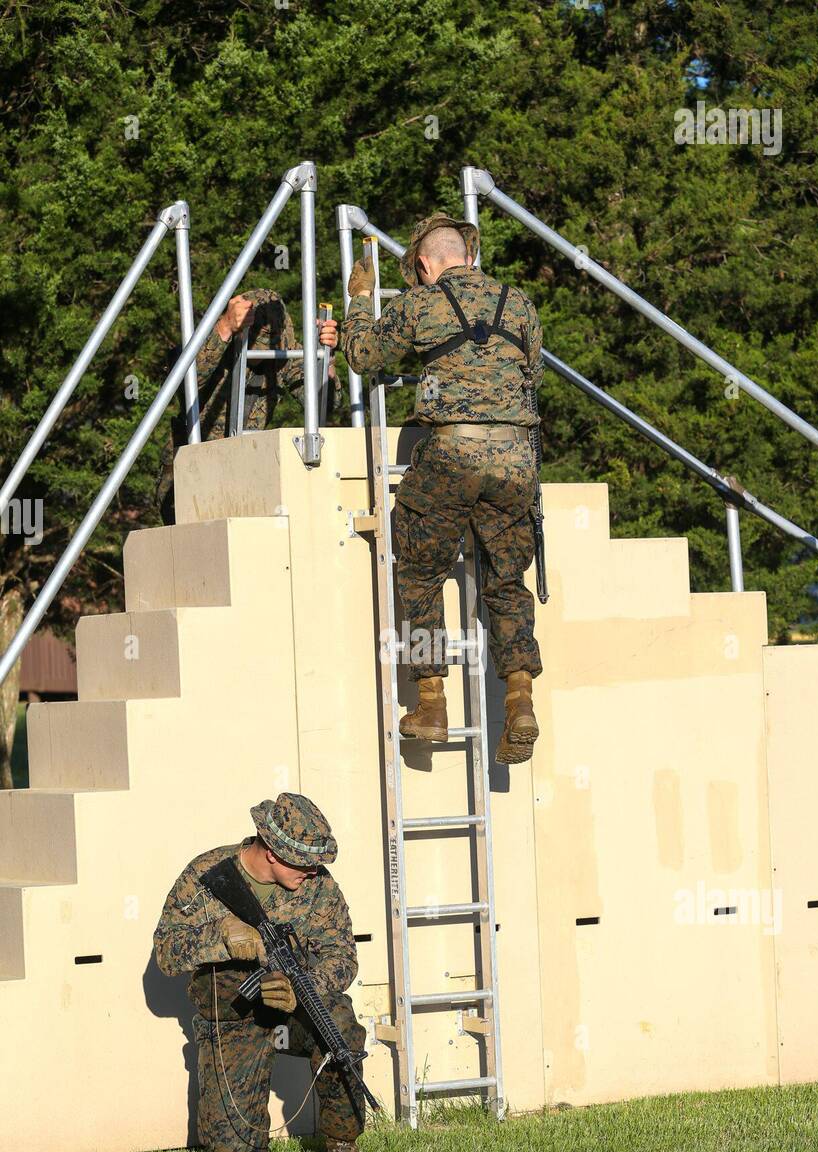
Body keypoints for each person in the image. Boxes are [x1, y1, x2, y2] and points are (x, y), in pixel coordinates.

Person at [338, 212, 544, 765]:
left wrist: (362, 297)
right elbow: (531, 376)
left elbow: (362, 356)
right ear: (470, 256)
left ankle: (431, 704)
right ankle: (521, 700)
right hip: (516, 460)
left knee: (421, 574)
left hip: (451, 455)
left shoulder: (419, 303)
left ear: (426, 266)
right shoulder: (519, 303)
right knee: (506, 583)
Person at [153, 792, 372, 1152]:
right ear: (271, 851)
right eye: (304, 863)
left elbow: (343, 957)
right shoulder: (206, 876)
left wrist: (304, 988)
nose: (311, 872)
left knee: (340, 1026)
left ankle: (342, 1143)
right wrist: (219, 937)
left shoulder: (317, 886)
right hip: (233, 1019)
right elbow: (166, 954)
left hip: (295, 1014)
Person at [155, 290, 340, 524]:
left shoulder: (281, 354)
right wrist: (224, 328)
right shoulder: (209, 343)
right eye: (256, 344)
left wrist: (324, 358)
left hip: (243, 476)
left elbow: (326, 402)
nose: (261, 355)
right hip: (192, 475)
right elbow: (183, 383)